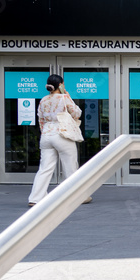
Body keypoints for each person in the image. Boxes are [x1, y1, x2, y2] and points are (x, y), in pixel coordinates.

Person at [27, 74, 91, 206]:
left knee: (44, 168)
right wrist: (67, 95)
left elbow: (41, 119)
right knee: (70, 166)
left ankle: (35, 198)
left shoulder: (43, 100)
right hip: (62, 134)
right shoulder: (64, 97)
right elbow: (77, 113)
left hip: (46, 135)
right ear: (61, 85)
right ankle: (79, 196)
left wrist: (46, 131)